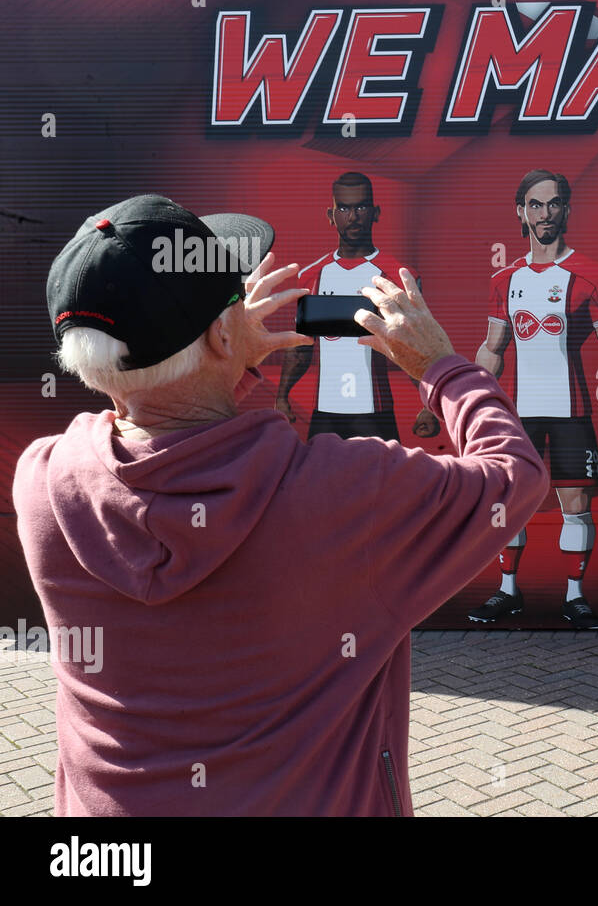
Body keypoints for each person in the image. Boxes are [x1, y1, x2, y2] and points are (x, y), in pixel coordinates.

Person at [14, 194, 548, 815]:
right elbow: (514, 477)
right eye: (234, 296)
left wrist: (218, 361)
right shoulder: (347, 492)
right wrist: (439, 366)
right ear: (220, 330)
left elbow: (177, 442)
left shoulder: (45, 482)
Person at [471, 170, 598, 629]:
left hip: (570, 412)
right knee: (513, 498)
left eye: (554, 203)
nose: (545, 213)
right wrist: (475, 405)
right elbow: (492, 348)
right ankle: (507, 593)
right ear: (522, 212)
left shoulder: (595, 275)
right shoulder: (505, 279)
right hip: (518, 412)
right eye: (535, 205)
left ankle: (575, 598)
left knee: (575, 502)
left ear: (566, 210)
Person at [276, 171, 439, 441]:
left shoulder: (399, 275)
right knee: (322, 483)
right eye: (344, 208)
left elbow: (415, 348)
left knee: (386, 484)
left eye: (361, 207)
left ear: (375, 213)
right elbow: (301, 348)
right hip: (325, 413)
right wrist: (282, 397)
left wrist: (429, 406)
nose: (353, 217)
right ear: (331, 215)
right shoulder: (312, 275)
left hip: (376, 413)